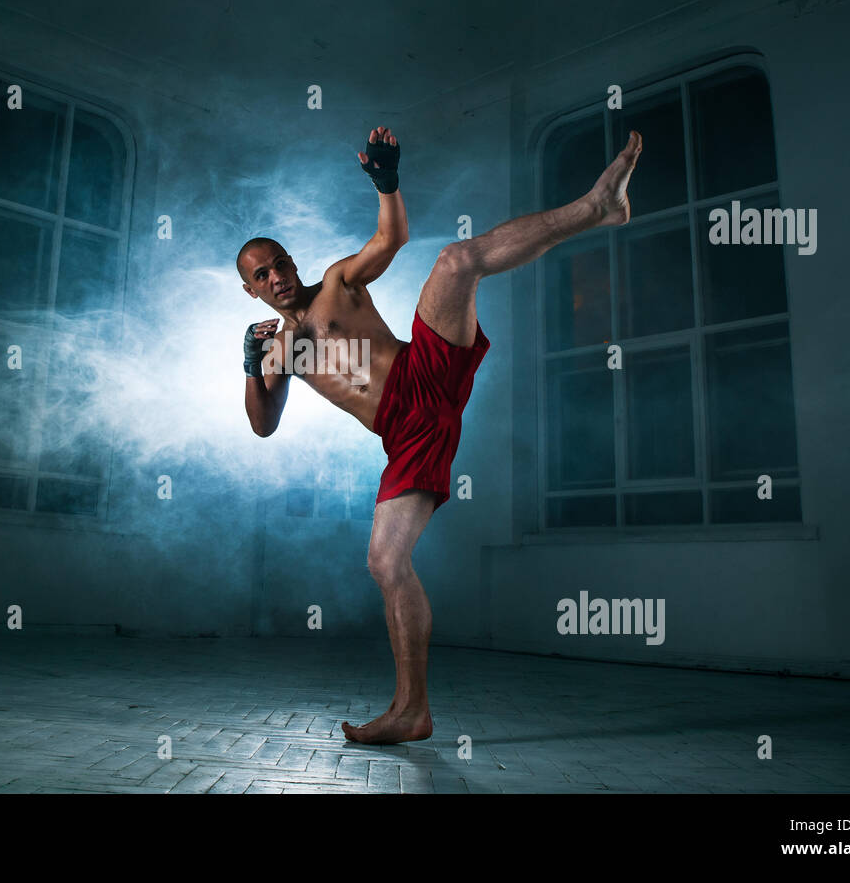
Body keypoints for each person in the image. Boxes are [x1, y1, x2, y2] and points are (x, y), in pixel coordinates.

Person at [238, 125, 642, 743]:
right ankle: (412, 711)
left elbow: (391, 237)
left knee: (457, 261)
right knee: (385, 561)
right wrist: (250, 365)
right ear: (252, 289)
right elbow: (263, 426)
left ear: (293, 261)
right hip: (406, 432)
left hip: (422, 369)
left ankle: (595, 207)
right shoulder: (279, 349)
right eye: (263, 275)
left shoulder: (338, 284)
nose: (277, 277)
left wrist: (386, 182)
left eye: (280, 264)